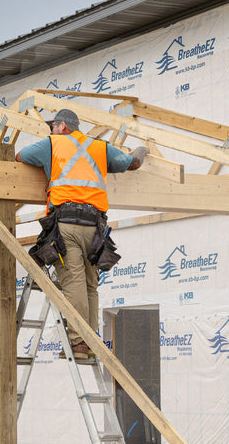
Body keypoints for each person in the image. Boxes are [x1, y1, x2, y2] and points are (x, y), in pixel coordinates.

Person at [16, 108, 146, 359]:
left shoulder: (53, 143)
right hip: (96, 229)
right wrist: (142, 149)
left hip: (67, 224)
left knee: (74, 283)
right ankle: (90, 341)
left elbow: (21, 157)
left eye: (52, 126)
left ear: (63, 126)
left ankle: (79, 343)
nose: (51, 131)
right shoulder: (99, 148)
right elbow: (133, 163)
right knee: (89, 285)